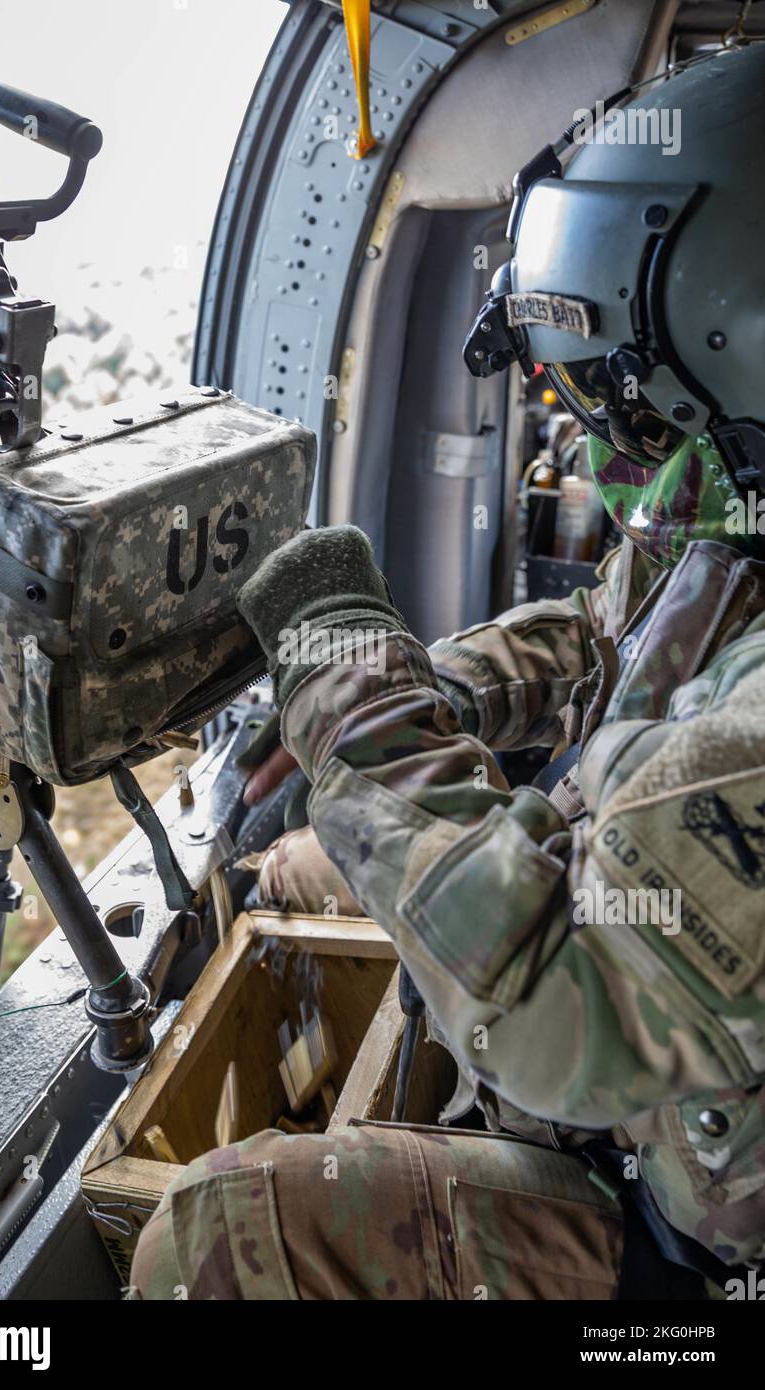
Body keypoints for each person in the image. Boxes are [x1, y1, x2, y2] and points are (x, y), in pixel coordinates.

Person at [130, 41, 765, 1300]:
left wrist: (345, 682)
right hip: (654, 1053)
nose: (606, 457)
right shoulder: (735, 519)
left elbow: (546, 1005)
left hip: (694, 1236)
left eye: (633, 416)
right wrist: (416, 688)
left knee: (215, 1238)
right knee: (293, 863)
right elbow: (605, 635)